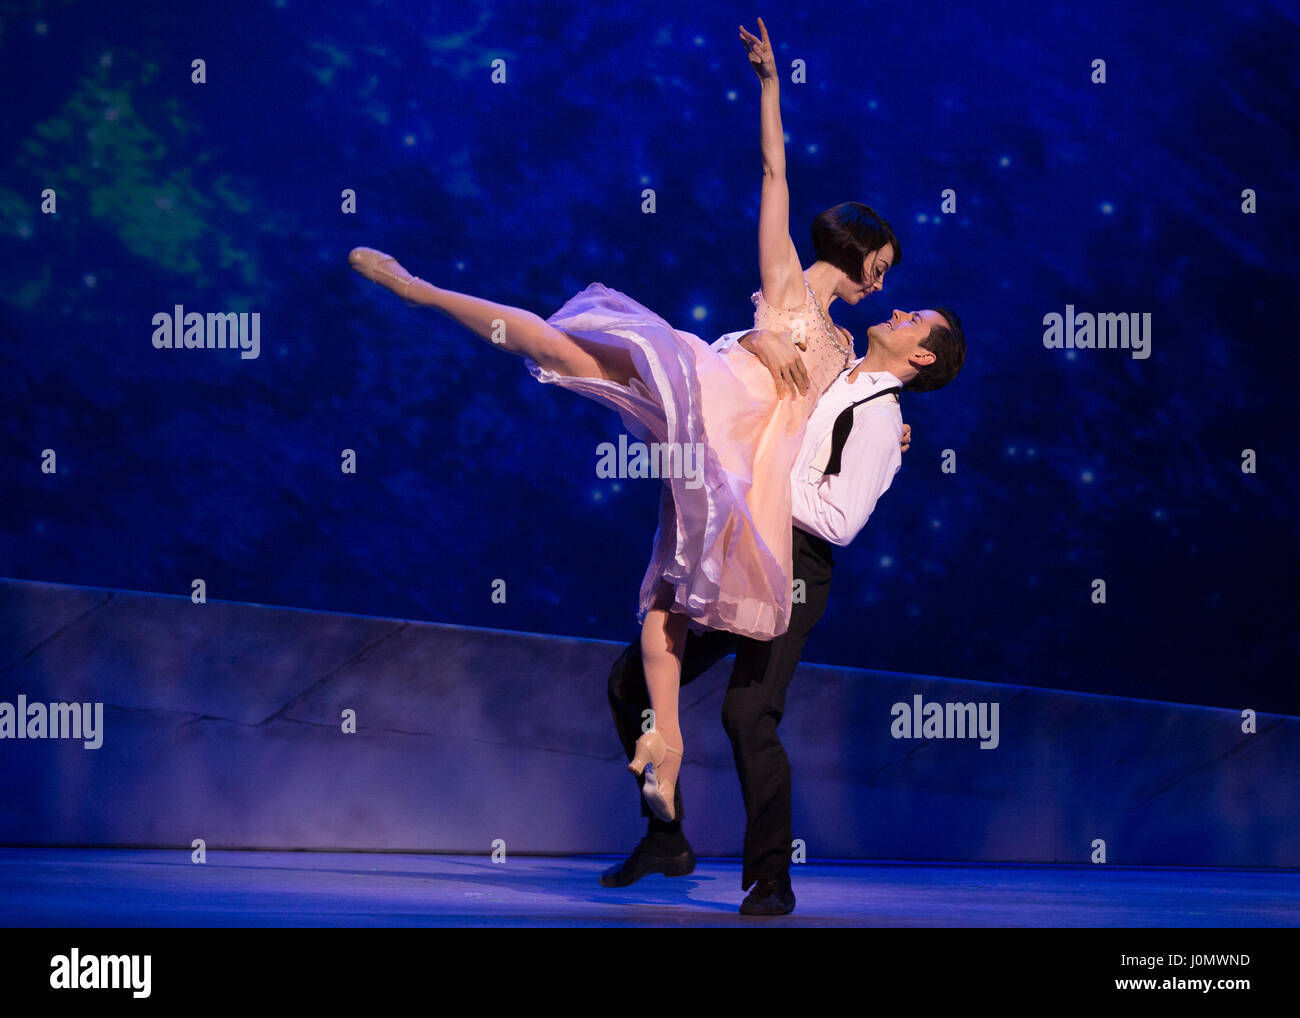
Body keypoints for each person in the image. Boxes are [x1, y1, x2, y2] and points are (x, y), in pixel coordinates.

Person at [347, 17, 957, 828]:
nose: (889, 281)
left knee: (670, 605)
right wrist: (771, 85)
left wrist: (899, 426)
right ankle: (422, 289)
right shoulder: (788, 284)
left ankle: (662, 747)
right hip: (711, 391)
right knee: (572, 351)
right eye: (889, 265)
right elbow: (774, 171)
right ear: (865, 247)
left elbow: (851, 405)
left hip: (741, 463)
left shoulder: (849, 349)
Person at [599, 308, 965, 916]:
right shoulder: (834, 369)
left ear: (922, 356)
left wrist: (758, 474)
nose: (899, 311)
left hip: (794, 567)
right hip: (748, 546)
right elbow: (731, 370)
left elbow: (841, 522)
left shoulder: (878, 417)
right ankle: (665, 839)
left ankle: (773, 880)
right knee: (631, 680)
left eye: (915, 318)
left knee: (748, 714)